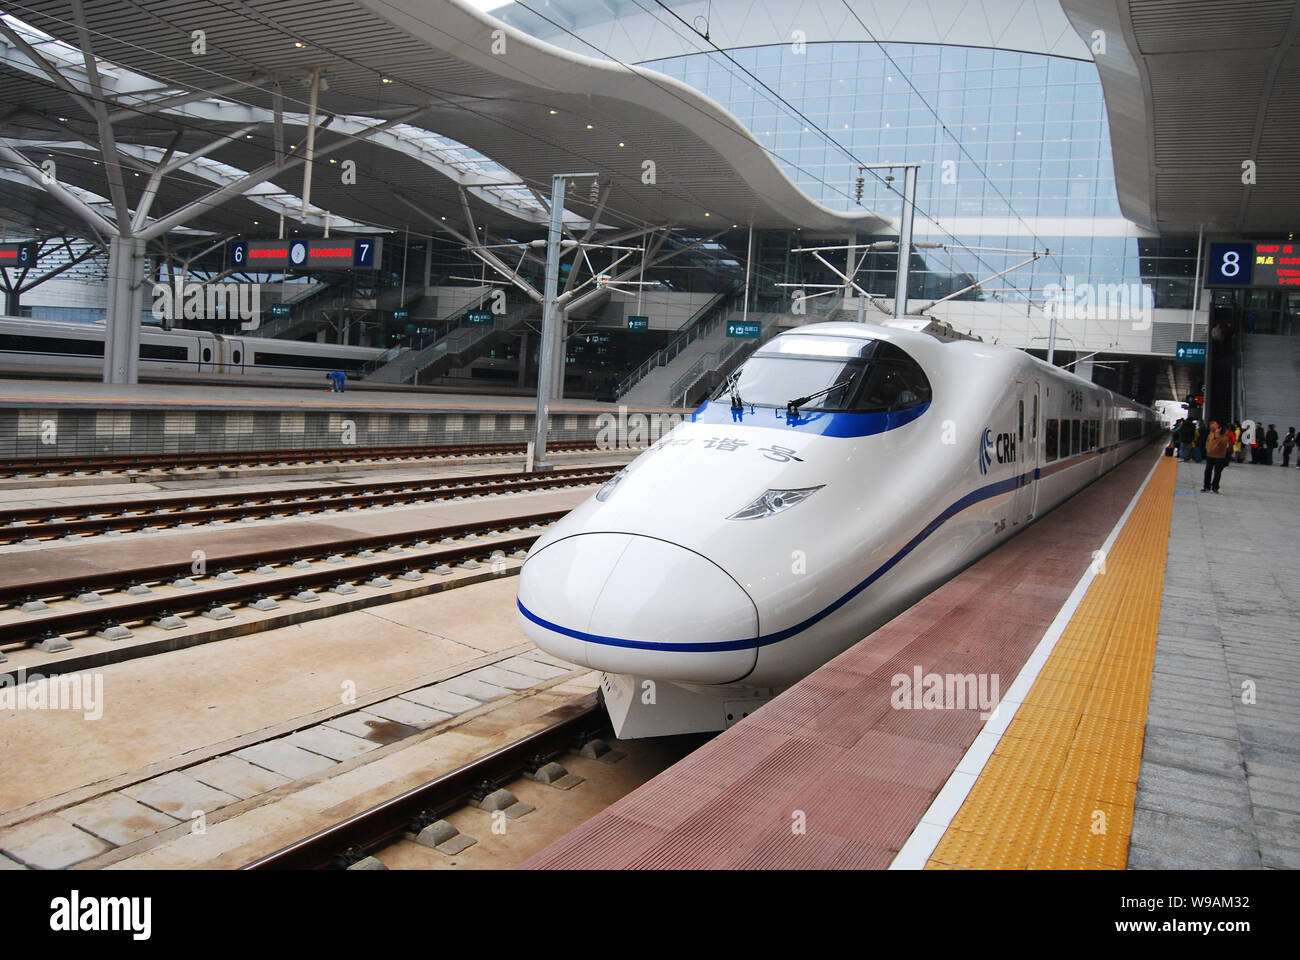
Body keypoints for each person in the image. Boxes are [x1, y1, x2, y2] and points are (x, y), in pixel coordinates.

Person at [1202, 421, 1231, 493]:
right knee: (1208, 470)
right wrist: (1207, 449)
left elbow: (1223, 442)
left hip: (1219, 455)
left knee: (1217, 472)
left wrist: (1217, 434)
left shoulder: (1225, 432)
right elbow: (1208, 441)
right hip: (1210, 454)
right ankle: (1206, 486)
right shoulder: (1212, 432)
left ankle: (1215, 487)